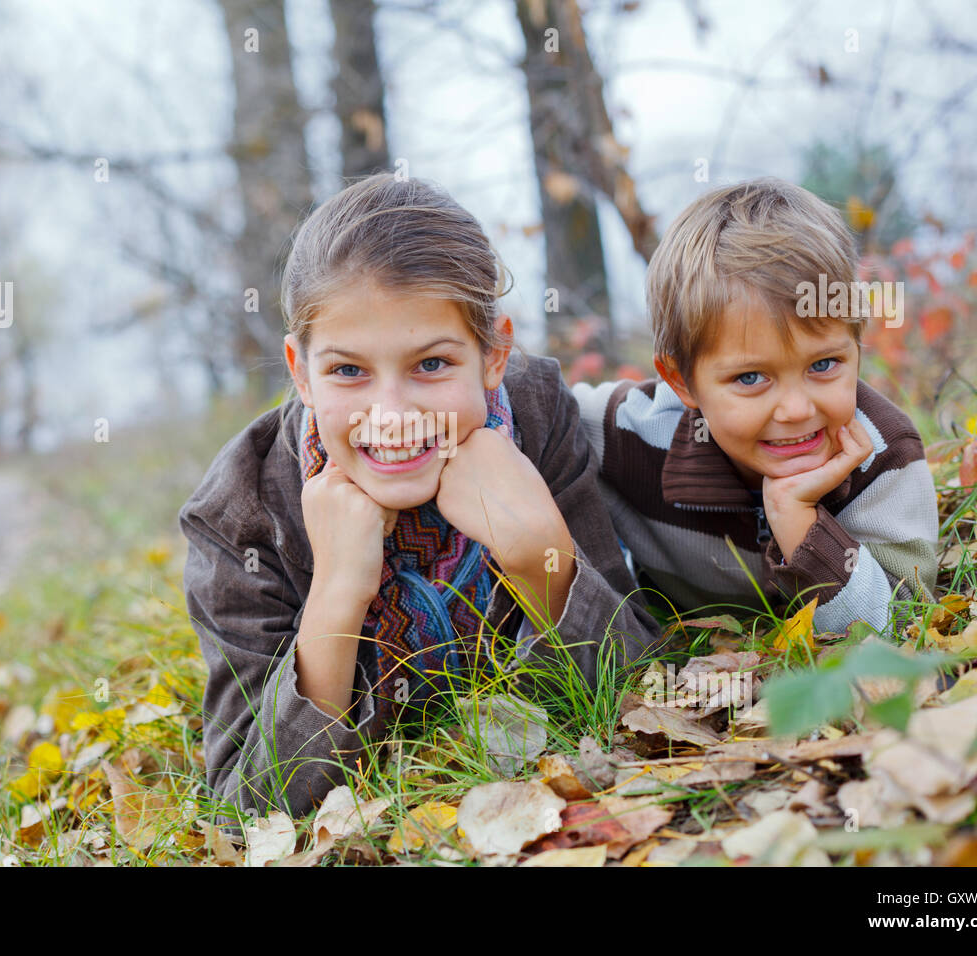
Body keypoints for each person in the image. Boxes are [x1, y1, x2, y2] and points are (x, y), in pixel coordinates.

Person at [178, 173, 663, 827]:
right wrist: (335, 597)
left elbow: (641, 693)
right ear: (300, 372)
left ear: (494, 355)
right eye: (348, 370)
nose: (392, 414)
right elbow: (245, 804)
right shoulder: (238, 517)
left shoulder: (539, 416)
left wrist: (539, 553)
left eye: (431, 365)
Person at [572, 177, 938, 636]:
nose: (795, 409)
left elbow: (903, 626)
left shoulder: (884, 457)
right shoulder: (631, 430)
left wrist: (800, 524)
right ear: (681, 381)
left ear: (856, 347)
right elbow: (531, 410)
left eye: (823, 364)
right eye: (750, 378)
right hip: (674, 663)